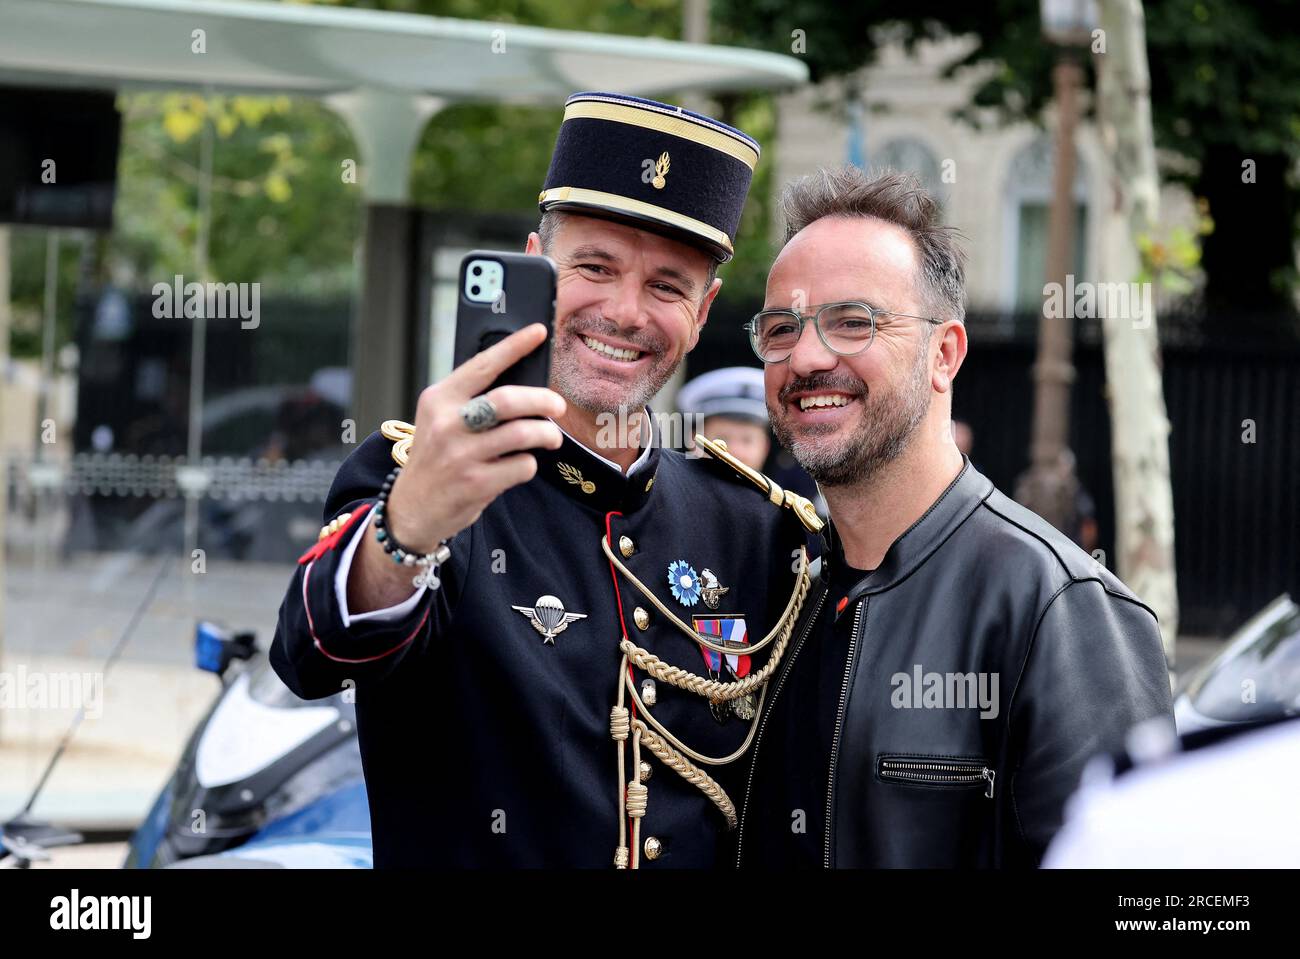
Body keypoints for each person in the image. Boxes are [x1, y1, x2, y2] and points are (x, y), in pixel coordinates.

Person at [270, 92, 819, 869]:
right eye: (594, 268)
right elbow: (311, 652)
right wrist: (408, 528)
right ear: (536, 264)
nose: (625, 312)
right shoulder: (427, 481)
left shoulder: (757, 529)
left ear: (704, 312)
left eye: (667, 285)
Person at [735, 167, 1173, 868]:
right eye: (782, 328)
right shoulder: (770, 583)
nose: (809, 356)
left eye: (854, 322)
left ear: (945, 354)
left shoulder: (1058, 606)